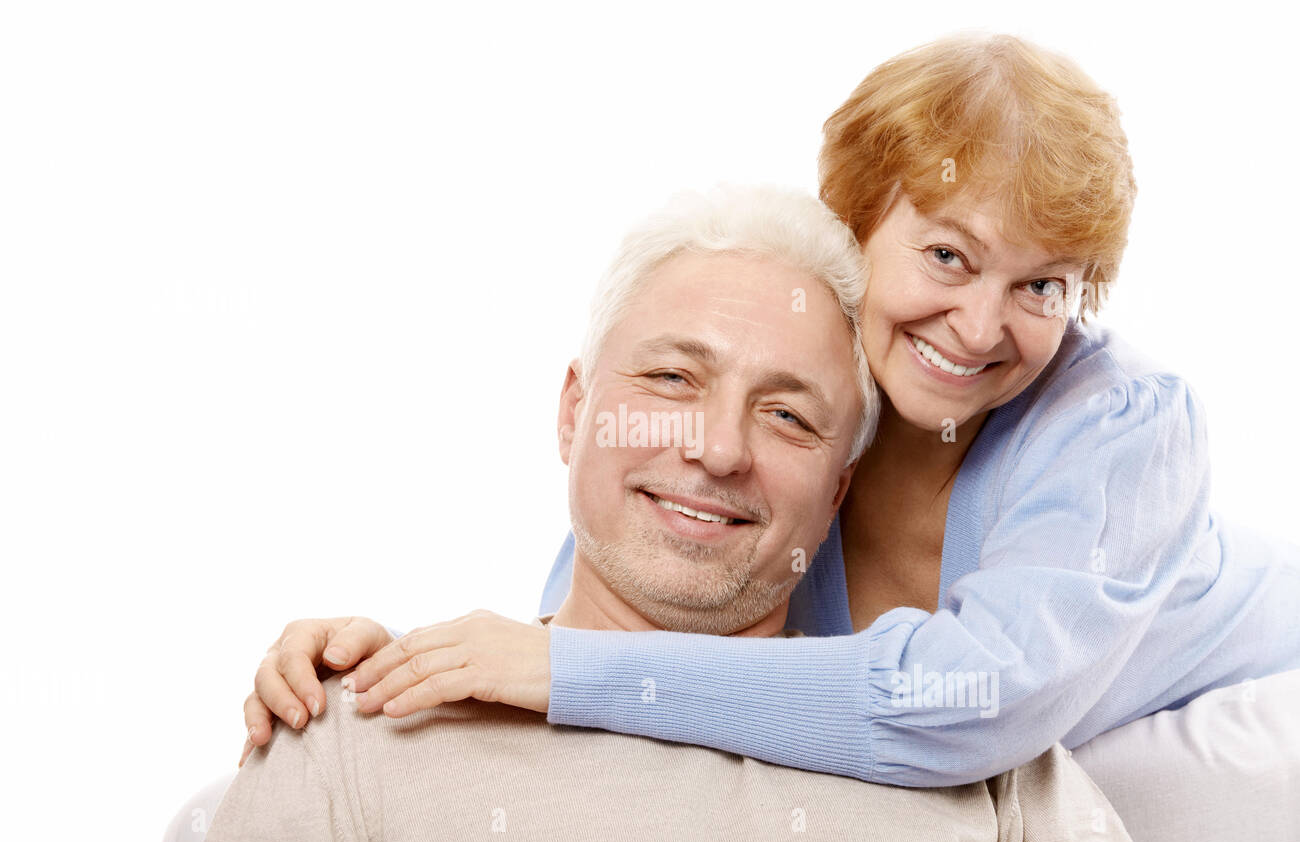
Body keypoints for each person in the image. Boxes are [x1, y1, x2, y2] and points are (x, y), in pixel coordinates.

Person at [239, 32, 1300, 788]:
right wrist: (375, 662)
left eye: (1042, 286)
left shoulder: (1125, 419)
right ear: (853, 221)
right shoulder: (803, 388)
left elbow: (967, 705)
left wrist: (562, 667)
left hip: (1227, 727)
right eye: (947, 255)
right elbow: (616, 613)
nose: (981, 327)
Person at [199, 185, 1139, 842]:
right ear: (574, 412)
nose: (718, 450)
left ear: (840, 489)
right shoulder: (360, 740)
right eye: (672, 380)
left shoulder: (978, 763)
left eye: (788, 416)